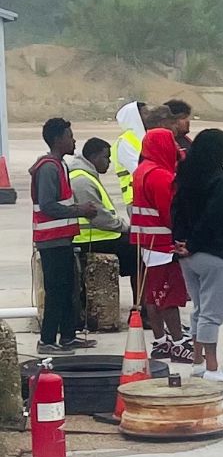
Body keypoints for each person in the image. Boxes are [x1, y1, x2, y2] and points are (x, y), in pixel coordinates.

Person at [172, 129, 223, 384]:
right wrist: (194, 243)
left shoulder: (185, 178)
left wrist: (182, 243)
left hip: (187, 255)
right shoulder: (221, 182)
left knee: (199, 308)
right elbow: (213, 218)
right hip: (213, 252)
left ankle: (197, 361)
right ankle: (213, 366)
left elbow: (176, 212)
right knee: (213, 312)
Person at [31, 118, 98, 355]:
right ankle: (48, 339)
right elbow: (48, 204)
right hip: (51, 240)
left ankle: (68, 336)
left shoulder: (60, 166)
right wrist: (80, 210)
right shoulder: (49, 168)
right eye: (70, 136)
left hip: (63, 238)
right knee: (57, 289)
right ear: (58, 139)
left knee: (69, 287)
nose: (74, 140)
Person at [131, 128, 194, 362]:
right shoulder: (161, 176)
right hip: (163, 244)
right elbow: (171, 213)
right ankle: (178, 343)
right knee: (170, 296)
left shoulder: (141, 171)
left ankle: (160, 342)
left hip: (147, 242)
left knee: (152, 295)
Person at [67, 138, 138, 304]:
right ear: (93, 157)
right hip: (91, 238)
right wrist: (126, 228)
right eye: (106, 158)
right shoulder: (82, 180)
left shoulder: (86, 175)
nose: (109, 162)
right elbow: (100, 218)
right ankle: (140, 309)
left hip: (97, 235)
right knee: (138, 251)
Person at [112, 100, 146, 207]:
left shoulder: (145, 137)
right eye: (145, 114)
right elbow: (138, 171)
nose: (150, 117)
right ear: (135, 117)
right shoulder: (125, 142)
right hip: (135, 199)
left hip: (146, 197)